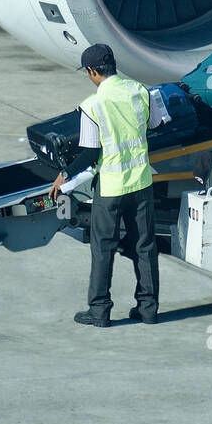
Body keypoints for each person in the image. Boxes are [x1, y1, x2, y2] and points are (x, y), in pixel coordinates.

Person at [50, 44, 160, 327]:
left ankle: (99, 310)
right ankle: (148, 309)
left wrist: (65, 175)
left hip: (111, 189)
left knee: (103, 249)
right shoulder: (140, 90)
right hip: (141, 183)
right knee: (145, 246)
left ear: (92, 71)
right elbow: (156, 123)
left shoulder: (92, 105)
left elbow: (89, 153)